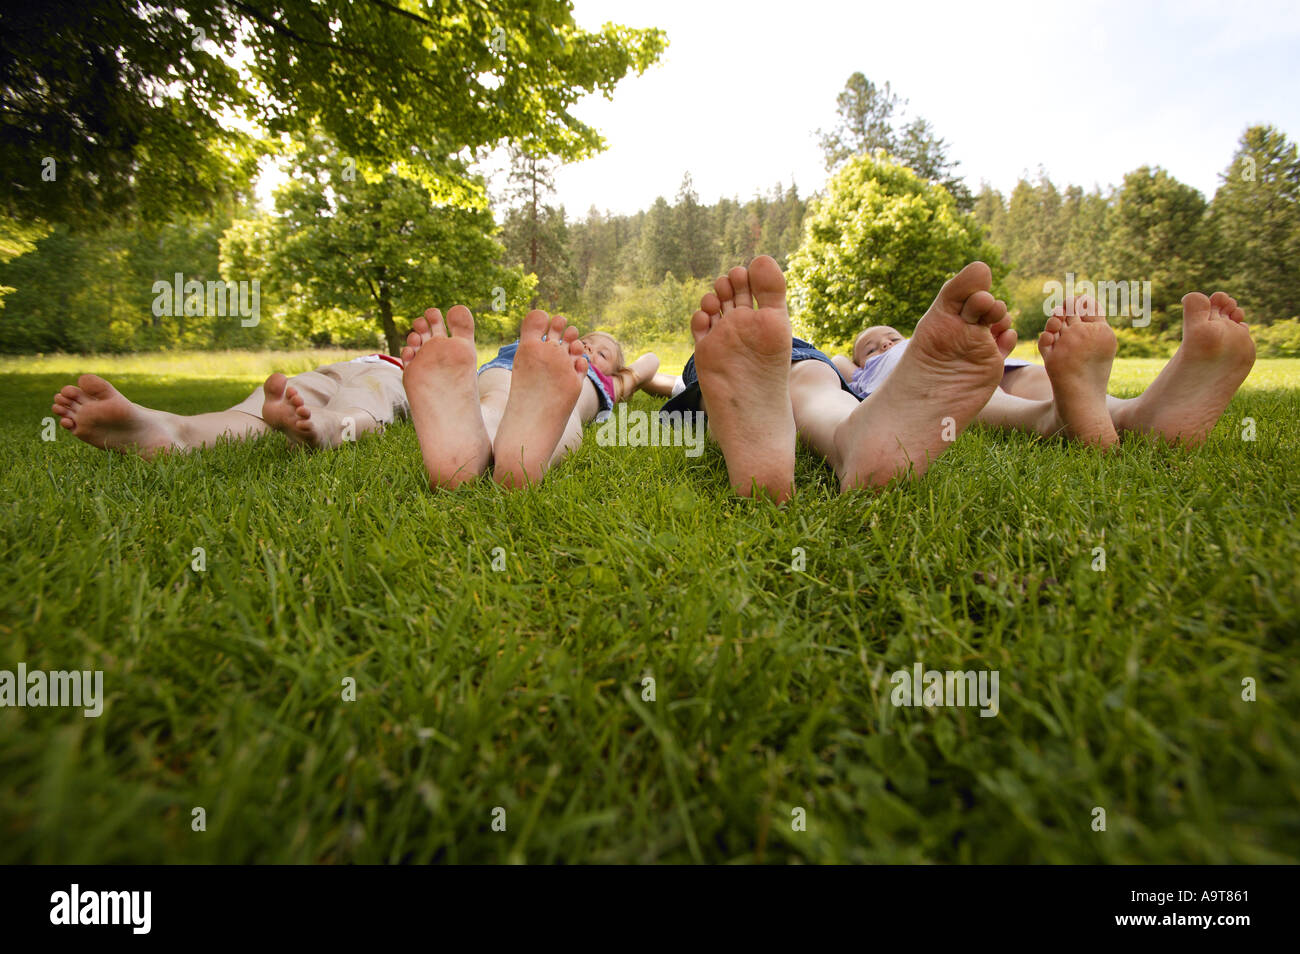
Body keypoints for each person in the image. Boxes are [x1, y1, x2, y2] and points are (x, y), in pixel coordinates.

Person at [660, 255, 1256, 500]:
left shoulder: (849, 363)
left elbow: (835, 376)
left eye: (888, 339)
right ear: (862, 357)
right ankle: (843, 437)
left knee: (812, 385)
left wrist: (651, 385)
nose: (883, 343)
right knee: (814, 382)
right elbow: (839, 373)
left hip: (779, 375)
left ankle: (1127, 413)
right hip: (792, 371)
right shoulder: (846, 364)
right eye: (874, 344)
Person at [401, 306, 657, 489]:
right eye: (588, 343)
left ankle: (498, 451)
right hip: (517, 365)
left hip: (564, 380)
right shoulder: (548, 349)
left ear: (614, 372)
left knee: (560, 409)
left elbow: (651, 361)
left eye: (603, 354)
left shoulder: (610, 381)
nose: (590, 349)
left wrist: (630, 376)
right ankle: (481, 450)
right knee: (498, 399)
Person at [51, 353, 410, 457]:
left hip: (397, 373)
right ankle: (174, 431)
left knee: (368, 397)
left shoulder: (440, 367)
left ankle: (331, 426)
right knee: (270, 405)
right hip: (333, 368)